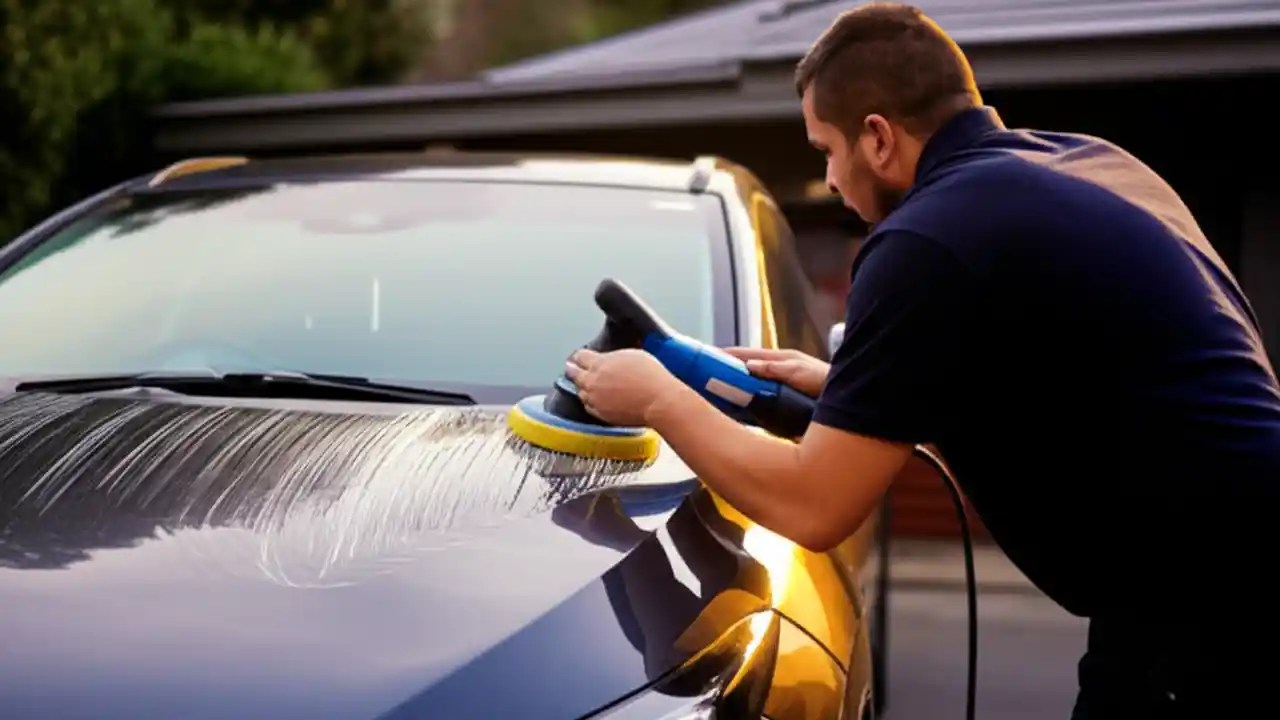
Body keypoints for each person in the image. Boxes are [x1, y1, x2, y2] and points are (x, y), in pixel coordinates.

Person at [565, 2, 1280, 717]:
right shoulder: (1092, 164)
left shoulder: (924, 238)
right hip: (1210, 581)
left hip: (1214, 610)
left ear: (877, 138)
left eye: (826, 150)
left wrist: (657, 399)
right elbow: (1074, 382)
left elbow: (814, 505)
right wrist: (869, 394)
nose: (830, 180)